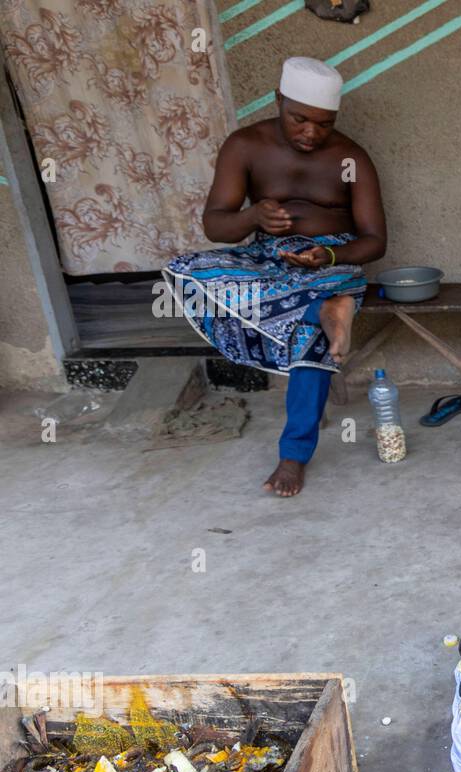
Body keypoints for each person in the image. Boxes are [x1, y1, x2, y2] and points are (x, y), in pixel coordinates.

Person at [165, 57, 387, 497]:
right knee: (188, 271)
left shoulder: (351, 157)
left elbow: (375, 241)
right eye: (299, 119)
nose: (310, 133)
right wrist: (252, 215)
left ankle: (293, 456)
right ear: (278, 100)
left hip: (333, 263)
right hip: (267, 261)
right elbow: (216, 226)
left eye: (323, 124)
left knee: (310, 336)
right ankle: (325, 309)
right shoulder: (245, 146)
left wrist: (327, 253)